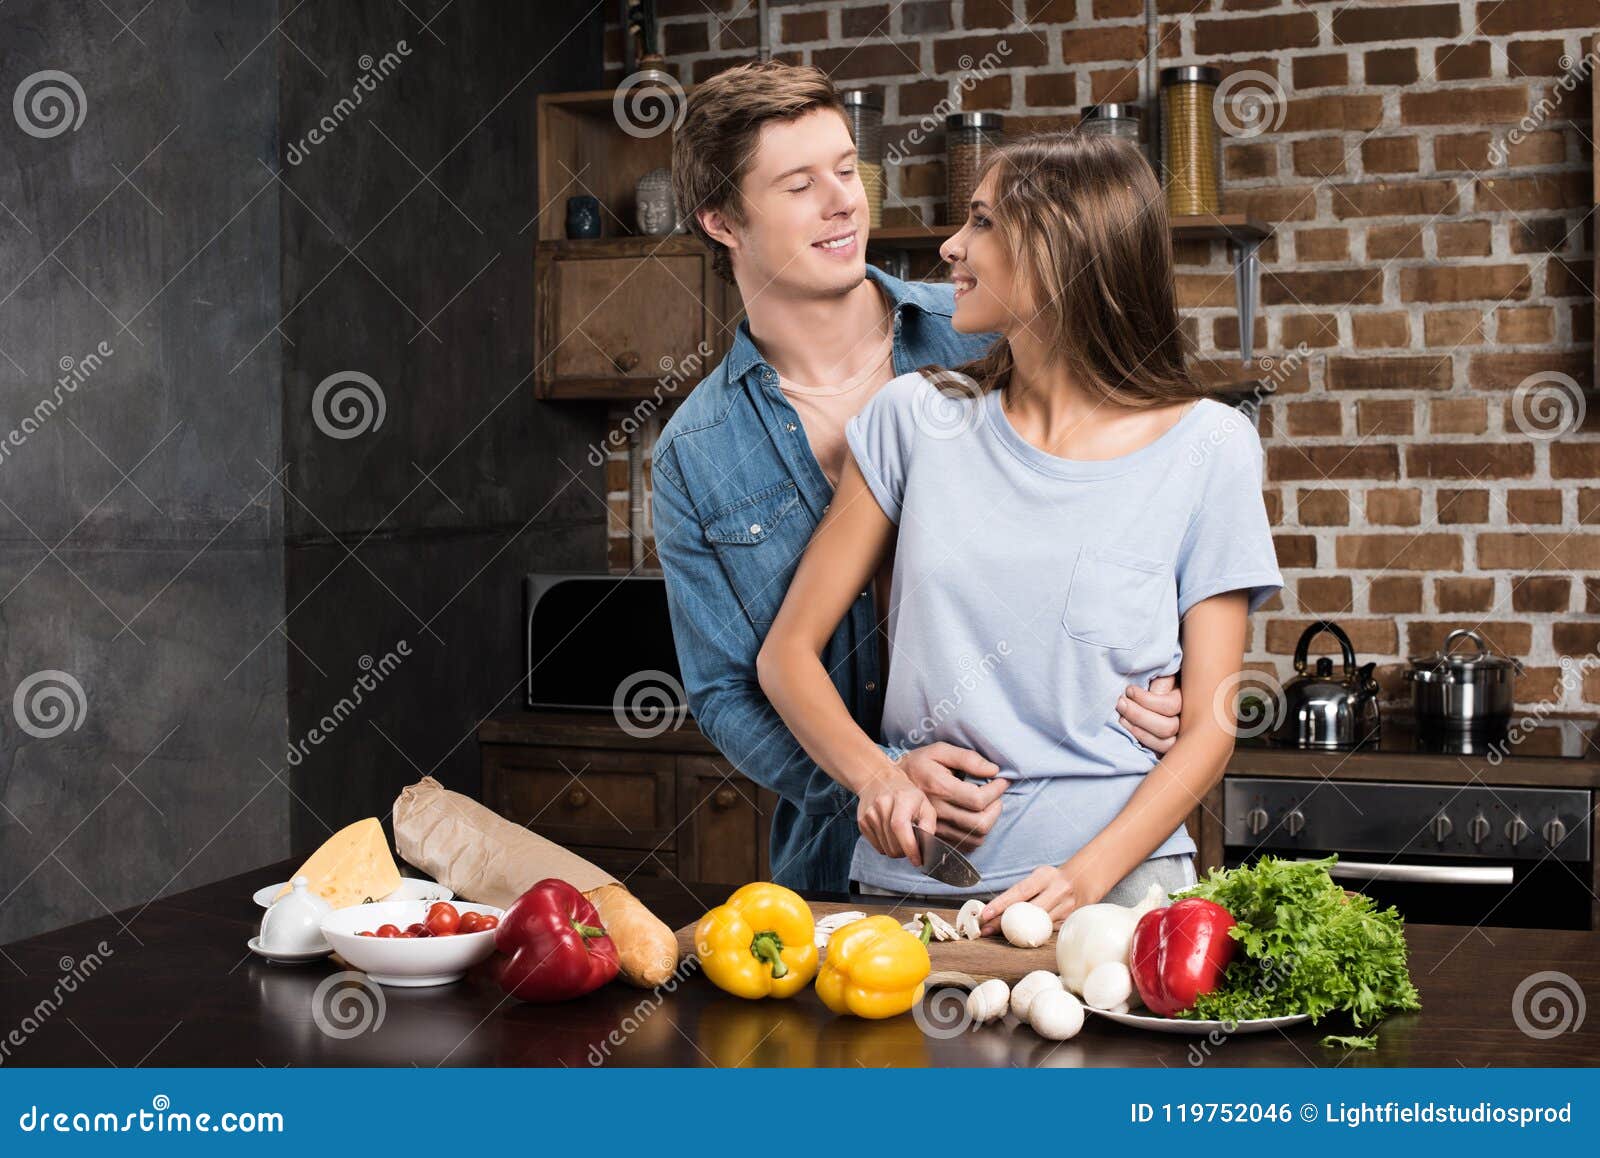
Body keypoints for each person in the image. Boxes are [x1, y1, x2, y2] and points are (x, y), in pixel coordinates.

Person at [653, 61, 1185, 895]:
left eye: (845, 168)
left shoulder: (985, 328)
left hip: (1067, 822)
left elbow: (1138, 495)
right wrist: (877, 778)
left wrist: (1176, 674)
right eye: (799, 184)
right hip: (852, 860)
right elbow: (724, 691)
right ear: (722, 221)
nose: (843, 201)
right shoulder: (696, 452)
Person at [756, 130, 1283, 930]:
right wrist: (879, 778)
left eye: (983, 222)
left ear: (1060, 250)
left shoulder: (1211, 446)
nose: (951, 246)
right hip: (915, 891)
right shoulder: (915, 420)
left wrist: (1079, 880)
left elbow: (1208, 729)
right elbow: (787, 655)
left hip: (1122, 902)